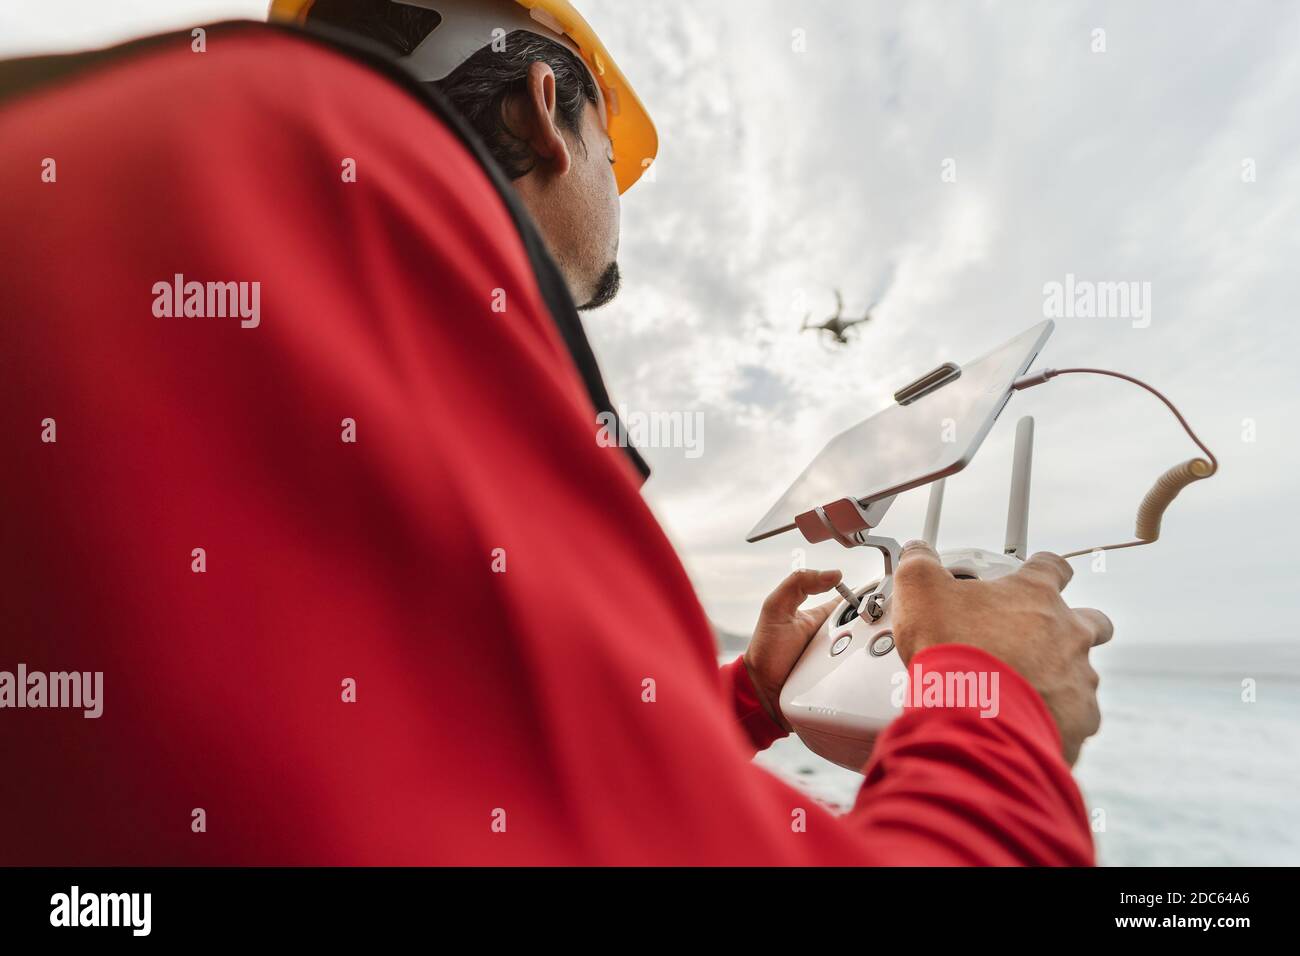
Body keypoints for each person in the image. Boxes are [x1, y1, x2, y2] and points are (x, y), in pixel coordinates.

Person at [0, 3, 1110, 865]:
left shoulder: (162, 172)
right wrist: (988, 691)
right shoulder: (350, 236)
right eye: (615, 162)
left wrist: (734, 702)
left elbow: (429, 778)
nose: (618, 198)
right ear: (544, 106)